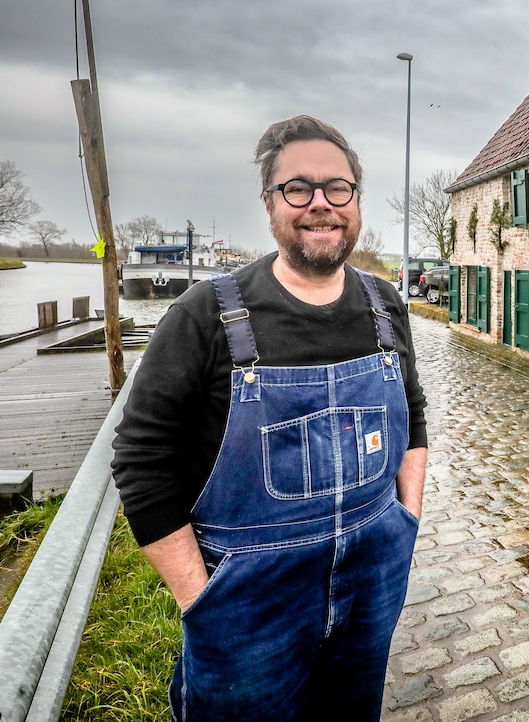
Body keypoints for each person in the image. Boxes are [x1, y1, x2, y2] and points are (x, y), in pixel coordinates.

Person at [111, 115, 427, 722]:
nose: (320, 205)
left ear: (356, 199)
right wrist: (199, 599)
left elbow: (412, 410)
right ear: (269, 203)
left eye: (338, 188)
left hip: (371, 580)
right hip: (247, 603)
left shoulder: (386, 306)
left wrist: (406, 520)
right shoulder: (205, 315)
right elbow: (141, 459)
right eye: (297, 188)